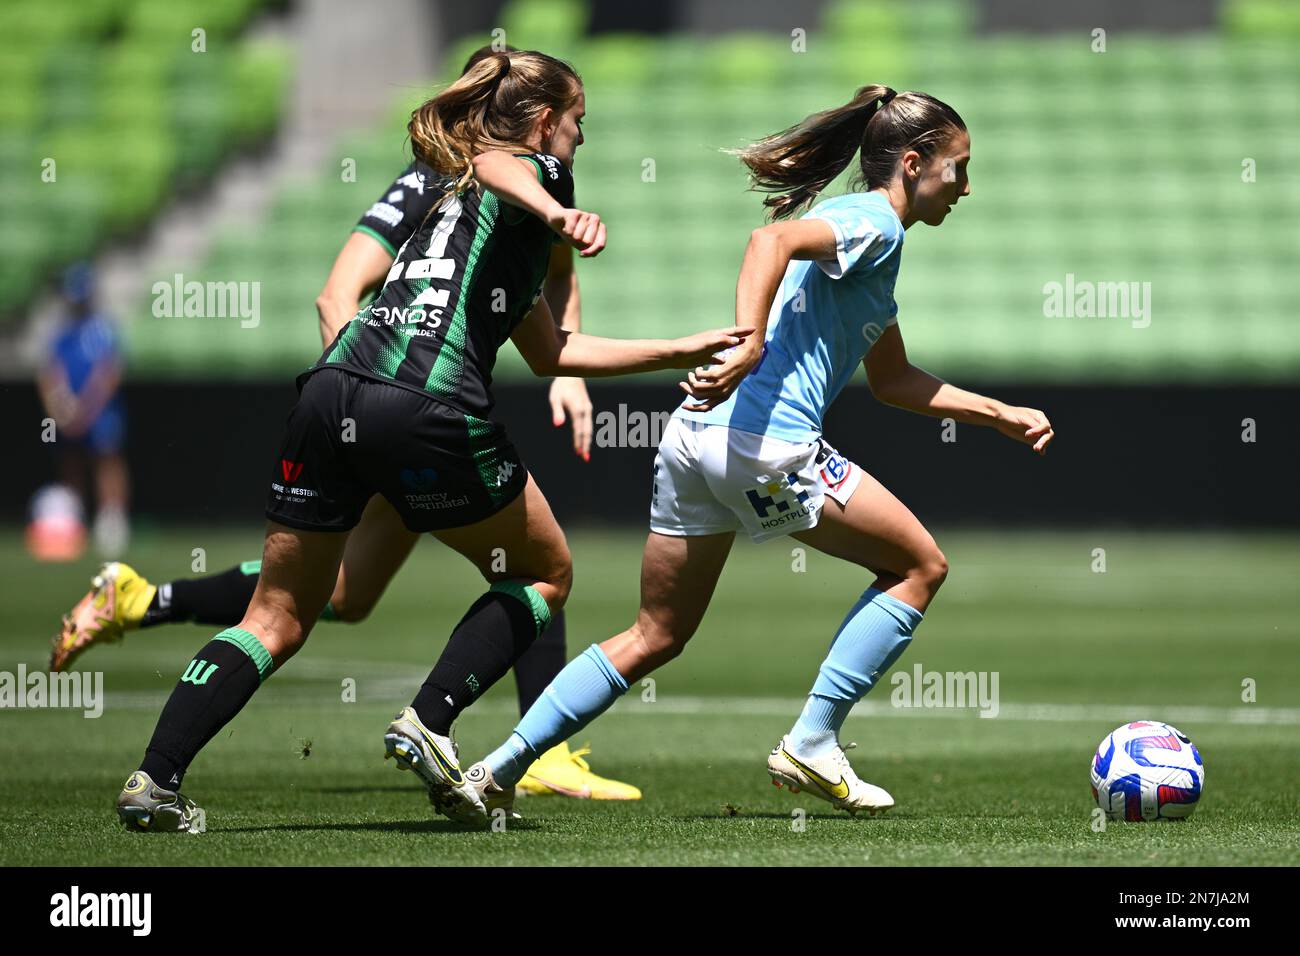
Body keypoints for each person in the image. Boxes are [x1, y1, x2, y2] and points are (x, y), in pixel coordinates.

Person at [115, 48, 750, 832]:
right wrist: (557, 213)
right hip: (429, 402)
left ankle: (154, 779)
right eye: (578, 121)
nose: (580, 139)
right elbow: (498, 162)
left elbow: (552, 354)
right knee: (545, 572)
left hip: (330, 391)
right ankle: (428, 721)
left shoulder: (462, 211)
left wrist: (679, 350)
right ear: (546, 121)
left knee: (276, 616)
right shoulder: (526, 175)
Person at [452, 85, 1056, 823]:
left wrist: (995, 414)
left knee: (655, 634)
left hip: (692, 440)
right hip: (765, 446)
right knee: (918, 566)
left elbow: (893, 380)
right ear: (913, 161)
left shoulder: (865, 240)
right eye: (958, 168)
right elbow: (767, 241)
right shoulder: (875, 225)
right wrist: (750, 341)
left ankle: (495, 770)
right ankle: (812, 739)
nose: (966, 185)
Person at [36, 263, 130, 558]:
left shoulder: (103, 330)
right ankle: (72, 517)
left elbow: (110, 372)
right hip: (68, 413)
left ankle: (112, 519)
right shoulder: (61, 334)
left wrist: (88, 408)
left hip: (100, 412)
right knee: (70, 461)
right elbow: (50, 374)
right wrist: (59, 409)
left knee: (107, 459)